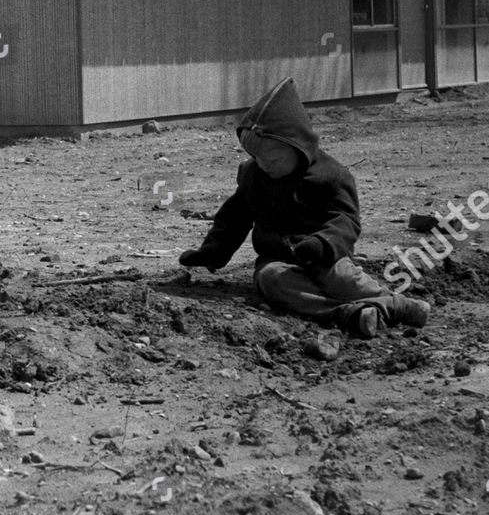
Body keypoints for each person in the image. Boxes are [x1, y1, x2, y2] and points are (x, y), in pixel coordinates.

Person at [178, 77, 430, 338]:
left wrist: (322, 243)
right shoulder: (253, 176)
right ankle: (347, 313)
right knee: (271, 280)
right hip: (277, 257)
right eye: (256, 157)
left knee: (342, 280)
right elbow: (234, 218)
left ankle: (393, 303)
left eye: (273, 157)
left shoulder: (331, 176)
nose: (264, 164)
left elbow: (346, 220)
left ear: (298, 146)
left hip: (325, 256)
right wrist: (211, 252)